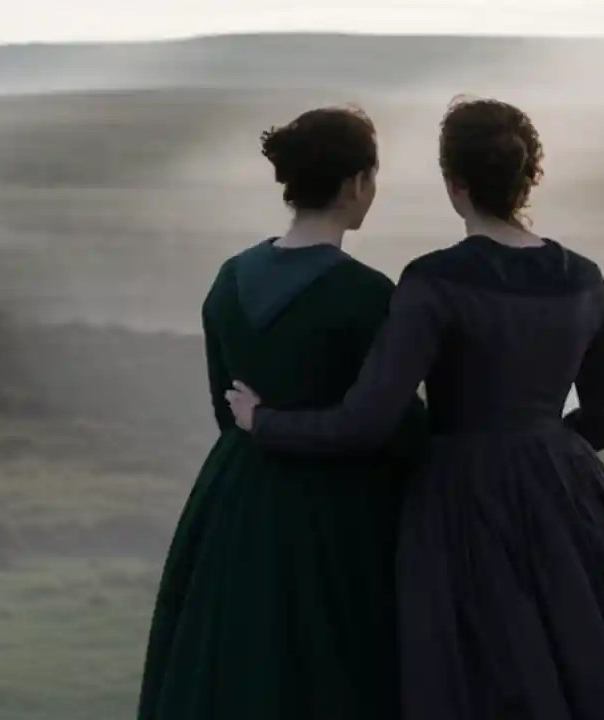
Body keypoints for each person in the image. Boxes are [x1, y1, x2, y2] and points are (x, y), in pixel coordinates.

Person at [226, 97, 604, 719]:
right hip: (567, 489)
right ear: (526, 177)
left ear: (455, 184)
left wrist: (263, 422)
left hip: (459, 501)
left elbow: (364, 423)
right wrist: (543, 455)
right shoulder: (583, 279)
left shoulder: (432, 283)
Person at [137, 106, 425, 720]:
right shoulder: (367, 294)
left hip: (237, 500)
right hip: (340, 517)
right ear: (355, 183)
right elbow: (396, 425)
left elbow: (226, 406)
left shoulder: (230, 279)